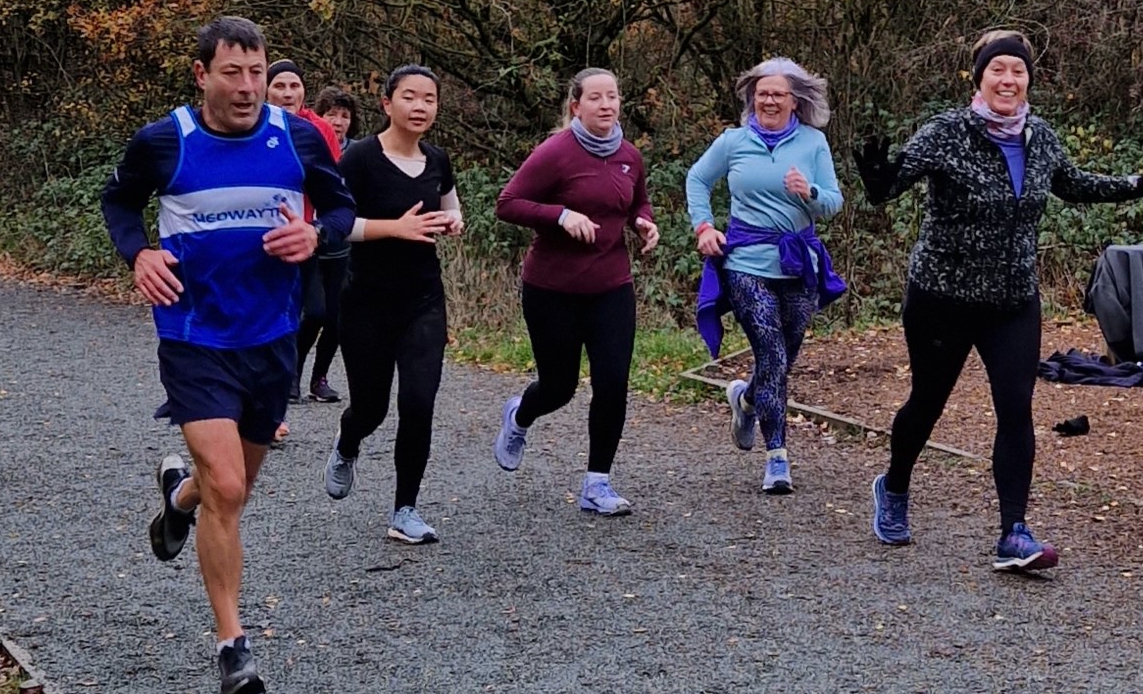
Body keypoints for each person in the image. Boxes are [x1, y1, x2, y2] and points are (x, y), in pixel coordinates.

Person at [854, 29, 1143, 569]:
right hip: (942, 298)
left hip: (1011, 301)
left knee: (1016, 409)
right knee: (927, 403)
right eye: (997, 70)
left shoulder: (1041, 138)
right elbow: (891, 185)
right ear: (979, 77)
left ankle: (1014, 533)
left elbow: (1075, 184)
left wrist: (1140, 182)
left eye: (1018, 71)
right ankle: (893, 486)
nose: (1008, 79)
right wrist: (876, 177)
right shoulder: (947, 133)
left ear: (1029, 79)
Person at [100, 16, 355, 694]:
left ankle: (179, 501)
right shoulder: (164, 141)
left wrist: (314, 233)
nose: (247, 88)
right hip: (193, 334)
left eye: (256, 74)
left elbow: (338, 208)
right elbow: (118, 201)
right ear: (202, 75)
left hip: (272, 334)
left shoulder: (298, 135)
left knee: (228, 486)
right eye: (232, 73)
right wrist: (140, 254)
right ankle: (232, 648)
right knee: (231, 489)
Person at [493, 68, 660, 515]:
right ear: (576, 107)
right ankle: (520, 415)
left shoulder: (629, 156)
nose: (607, 105)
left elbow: (636, 201)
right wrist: (561, 215)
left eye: (613, 97)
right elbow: (507, 203)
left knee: (612, 384)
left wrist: (643, 222)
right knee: (559, 387)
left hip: (611, 286)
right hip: (552, 288)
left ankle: (596, 484)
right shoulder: (556, 152)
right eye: (596, 98)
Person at [685, 58, 846, 495]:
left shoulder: (813, 143)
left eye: (778, 94)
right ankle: (778, 458)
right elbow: (697, 179)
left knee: (785, 354)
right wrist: (704, 226)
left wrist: (808, 193)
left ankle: (748, 398)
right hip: (745, 264)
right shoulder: (733, 142)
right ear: (751, 99)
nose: (769, 100)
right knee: (772, 355)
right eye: (762, 93)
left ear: (796, 101)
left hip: (797, 265)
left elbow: (834, 202)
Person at [324, 65, 463, 545]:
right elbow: (335, 223)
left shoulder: (438, 158)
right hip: (365, 300)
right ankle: (347, 443)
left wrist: (452, 222)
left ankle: (406, 509)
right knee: (371, 407)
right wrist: (393, 228)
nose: (420, 106)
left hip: (423, 299)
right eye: (409, 97)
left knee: (419, 402)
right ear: (387, 104)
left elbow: (449, 203)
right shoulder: (359, 158)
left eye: (429, 98)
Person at [263, 61, 344, 427]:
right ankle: (272, 403)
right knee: (270, 318)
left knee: (317, 312)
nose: (287, 93)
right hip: (261, 238)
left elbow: (333, 183)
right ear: (266, 90)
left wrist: (322, 226)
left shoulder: (318, 129)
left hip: (307, 235)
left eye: (294, 85)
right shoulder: (251, 125)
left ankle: (291, 377)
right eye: (279, 85)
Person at [304, 87, 360, 402]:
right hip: (310, 244)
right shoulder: (308, 146)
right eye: (332, 115)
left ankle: (319, 379)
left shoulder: (357, 154)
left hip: (344, 246)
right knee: (313, 313)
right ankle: (292, 376)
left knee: (337, 319)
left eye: (344, 116)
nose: (338, 122)